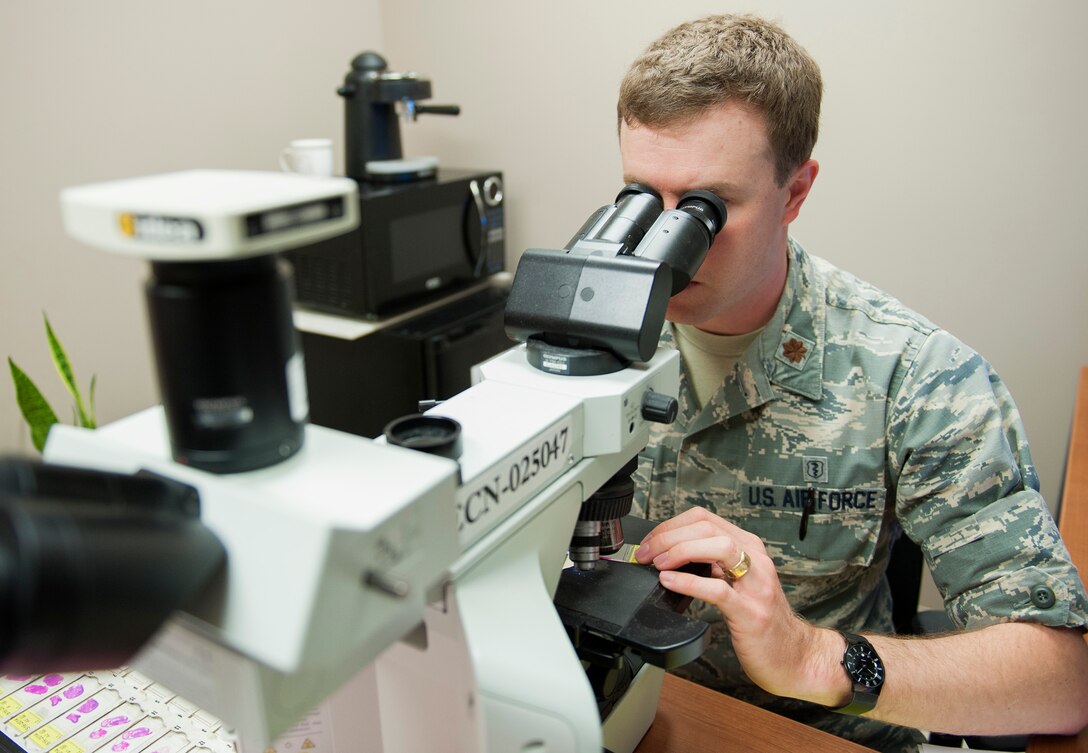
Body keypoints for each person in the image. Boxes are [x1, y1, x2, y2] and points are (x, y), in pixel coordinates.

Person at [619, 14, 1088, 752]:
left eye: (710, 206)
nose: (666, 243)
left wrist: (812, 654)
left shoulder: (917, 376)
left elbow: (1060, 677)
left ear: (795, 191)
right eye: (642, 198)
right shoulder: (581, 341)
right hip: (622, 716)